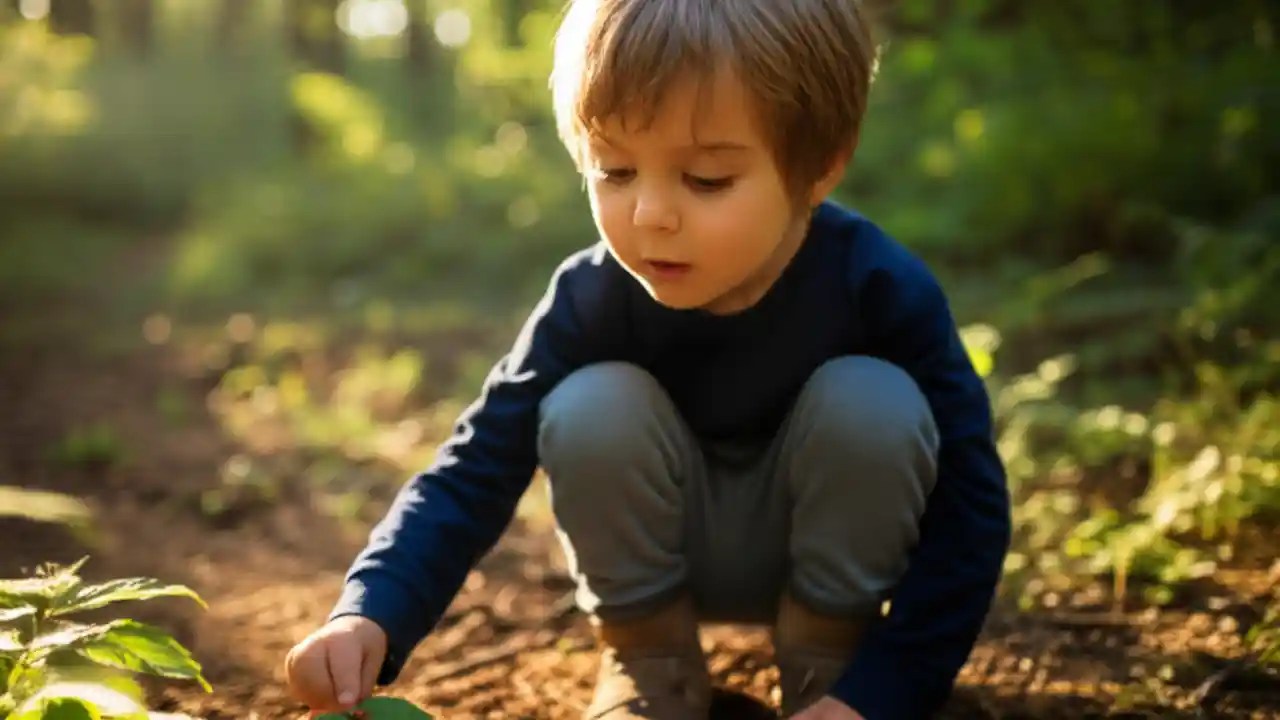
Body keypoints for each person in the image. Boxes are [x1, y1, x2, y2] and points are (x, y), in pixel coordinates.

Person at [284, 0, 1012, 718]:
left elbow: (970, 509)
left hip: (830, 569)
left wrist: (879, 694)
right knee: (589, 406)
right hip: (659, 572)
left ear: (820, 167)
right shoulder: (592, 298)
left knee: (874, 403)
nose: (649, 215)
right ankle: (651, 665)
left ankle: (827, 666)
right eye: (615, 170)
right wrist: (368, 613)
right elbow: (473, 468)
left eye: (705, 180)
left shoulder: (880, 288)